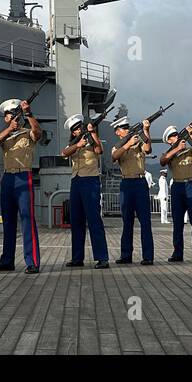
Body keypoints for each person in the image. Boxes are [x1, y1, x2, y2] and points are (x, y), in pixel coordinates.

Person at [0, 96, 42, 274]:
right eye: (10, 115)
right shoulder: (2, 135)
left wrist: (29, 113)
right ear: (6, 118)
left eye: (15, 114)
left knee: (27, 219)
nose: (13, 118)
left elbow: (38, 133)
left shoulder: (27, 133)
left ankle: (32, 261)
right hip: (8, 178)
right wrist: (9, 130)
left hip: (23, 176)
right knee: (8, 221)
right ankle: (7, 260)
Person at [60, 113, 109, 269]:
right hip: (76, 181)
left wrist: (93, 133)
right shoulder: (74, 143)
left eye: (79, 127)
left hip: (90, 180)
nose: (77, 131)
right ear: (72, 132)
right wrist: (78, 145)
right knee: (76, 220)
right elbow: (64, 153)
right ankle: (77, 258)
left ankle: (102, 257)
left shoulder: (92, 139)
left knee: (94, 219)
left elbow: (99, 150)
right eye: (74, 130)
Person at [110, 117, 154, 265]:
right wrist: (128, 144)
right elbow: (114, 157)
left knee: (145, 221)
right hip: (126, 183)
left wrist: (146, 130)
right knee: (127, 221)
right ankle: (126, 255)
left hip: (140, 182)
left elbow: (148, 149)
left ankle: (148, 256)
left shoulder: (139, 143)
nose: (127, 129)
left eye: (127, 127)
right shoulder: (118, 146)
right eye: (123, 128)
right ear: (117, 132)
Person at [160, 123, 192, 263]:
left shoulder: (188, 151)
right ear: (169, 140)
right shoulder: (169, 153)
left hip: (190, 184)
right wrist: (177, 149)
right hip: (177, 186)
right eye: (173, 136)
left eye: (177, 134)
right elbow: (163, 160)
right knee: (177, 223)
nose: (176, 137)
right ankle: (177, 253)